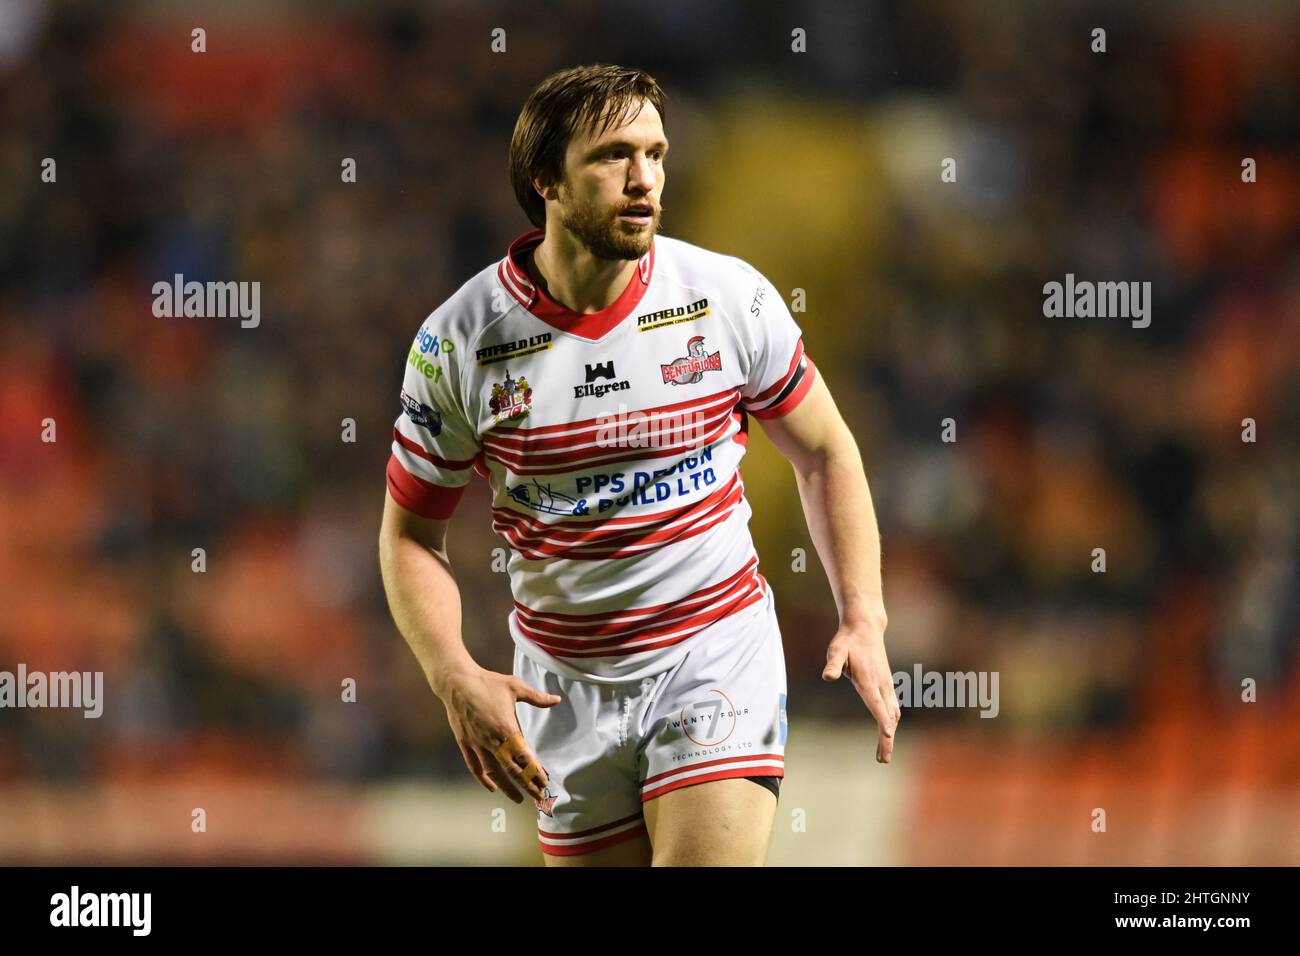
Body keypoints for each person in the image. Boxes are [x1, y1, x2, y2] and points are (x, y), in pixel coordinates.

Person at [378, 63, 897, 867]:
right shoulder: (460, 343)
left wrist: (863, 612)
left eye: (656, 154)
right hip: (563, 686)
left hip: (712, 652)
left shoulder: (727, 299)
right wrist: (452, 673)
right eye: (614, 156)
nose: (644, 179)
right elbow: (411, 537)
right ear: (546, 177)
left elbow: (825, 448)